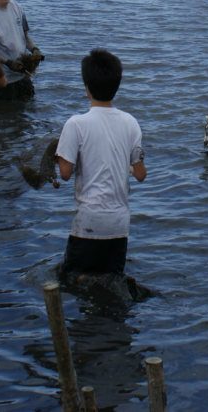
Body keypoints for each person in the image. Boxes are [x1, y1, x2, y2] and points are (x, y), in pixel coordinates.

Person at [56, 48, 147, 277]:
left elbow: (65, 173)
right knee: (111, 285)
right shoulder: (131, 122)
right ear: (117, 86)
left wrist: (58, 155)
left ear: (86, 88)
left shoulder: (76, 124)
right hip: (119, 224)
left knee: (75, 284)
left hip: (88, 222)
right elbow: (140, 174)